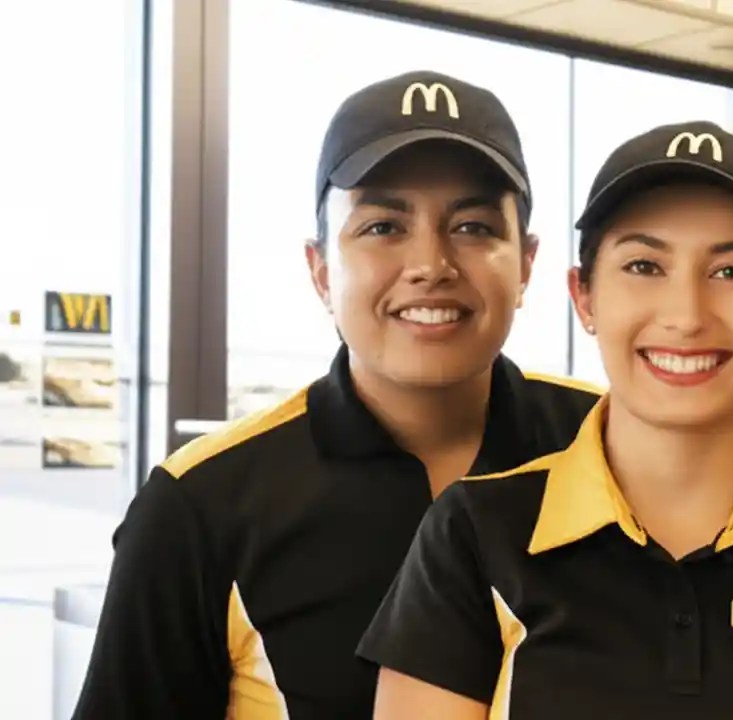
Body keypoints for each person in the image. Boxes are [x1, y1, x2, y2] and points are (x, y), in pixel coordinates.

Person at [356, 121, 733, 719]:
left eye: (731, 271)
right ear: (584, 296)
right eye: (644, 266)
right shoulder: (476, 536)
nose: (686, 315)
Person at [72, 71, 599, 718]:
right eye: (382, 227)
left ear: (526, 264)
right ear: (320, 270)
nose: (431, 264)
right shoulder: (201, 508)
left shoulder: (610, 446)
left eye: (473, 226)